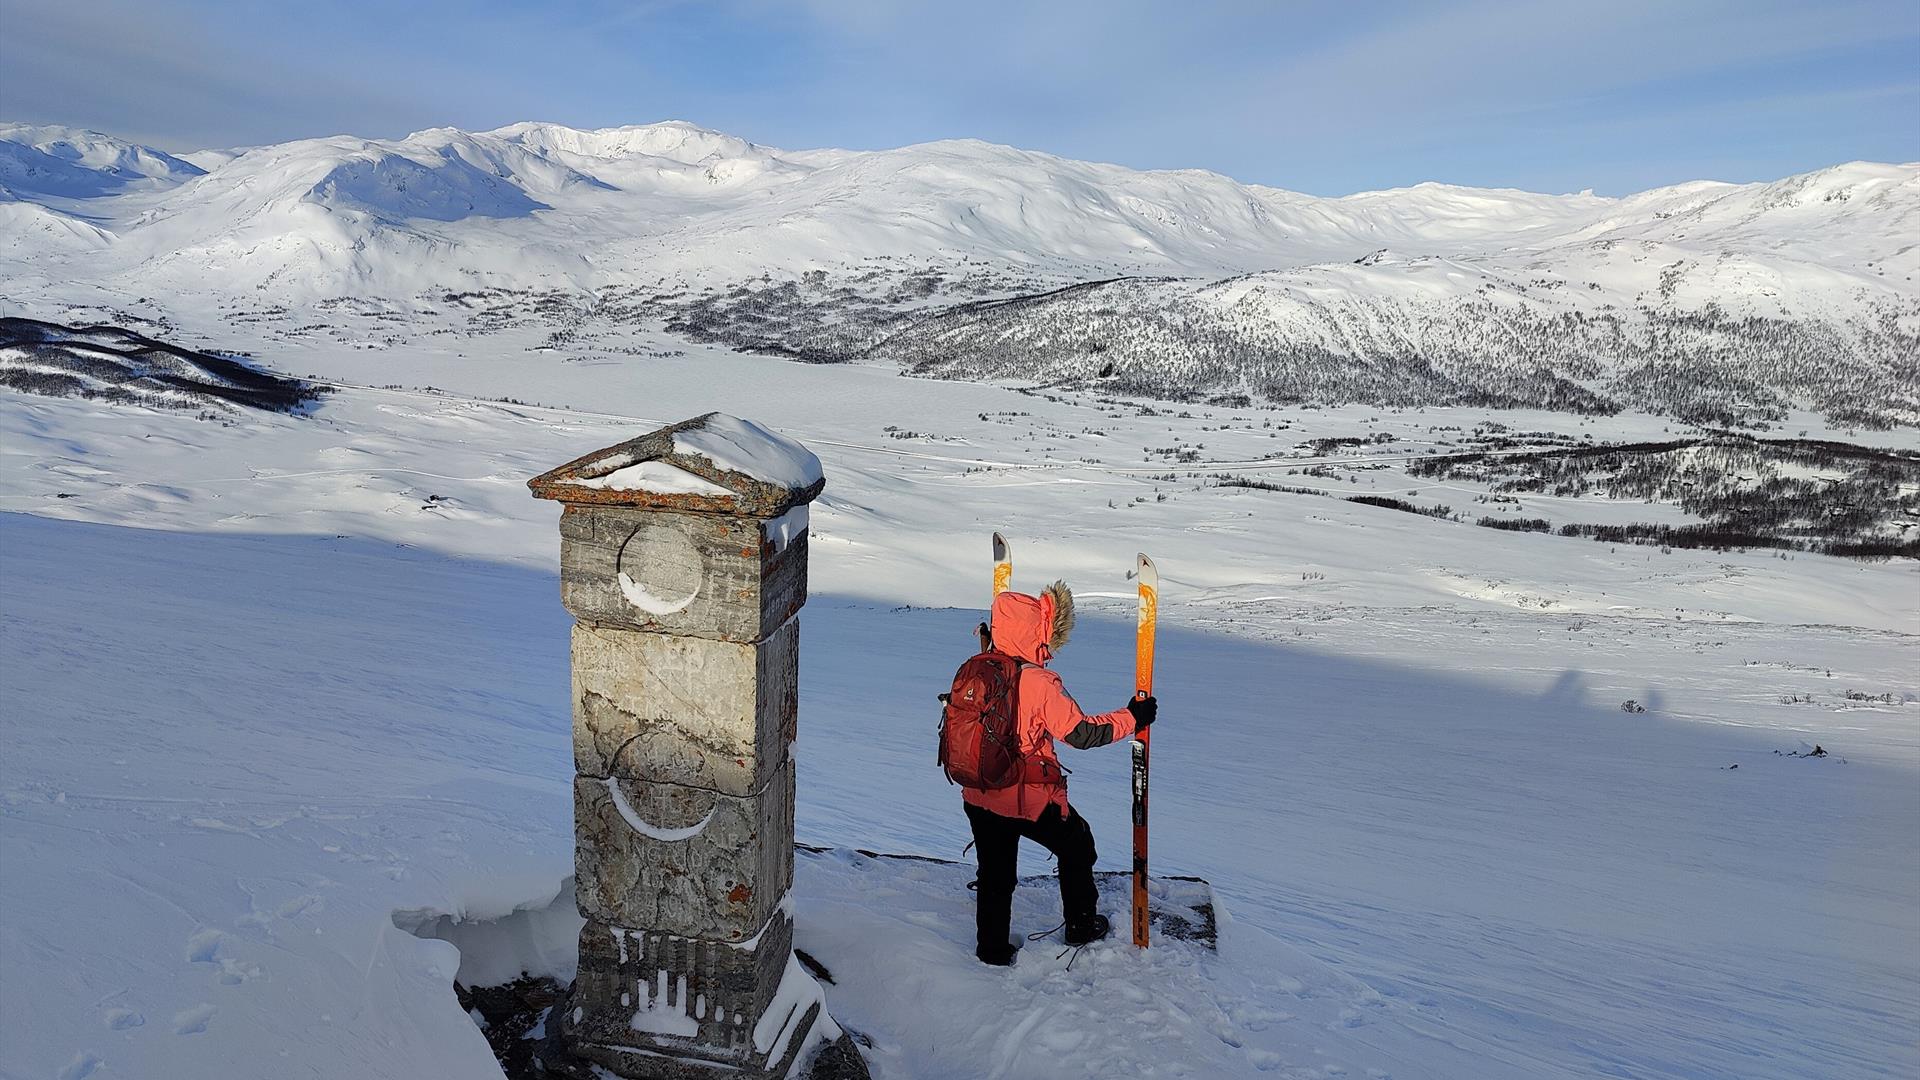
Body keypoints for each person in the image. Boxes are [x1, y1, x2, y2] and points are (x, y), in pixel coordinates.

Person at [961, 581, 1159, 965]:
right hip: (1025, 797)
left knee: (995, 874)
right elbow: (1082, 734)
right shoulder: (1038, 682)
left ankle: (992, 950)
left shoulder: (977, 665)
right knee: (1078, 845)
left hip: (977, 791)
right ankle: (1080, 924)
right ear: (1038, 631)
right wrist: (1132, 717)